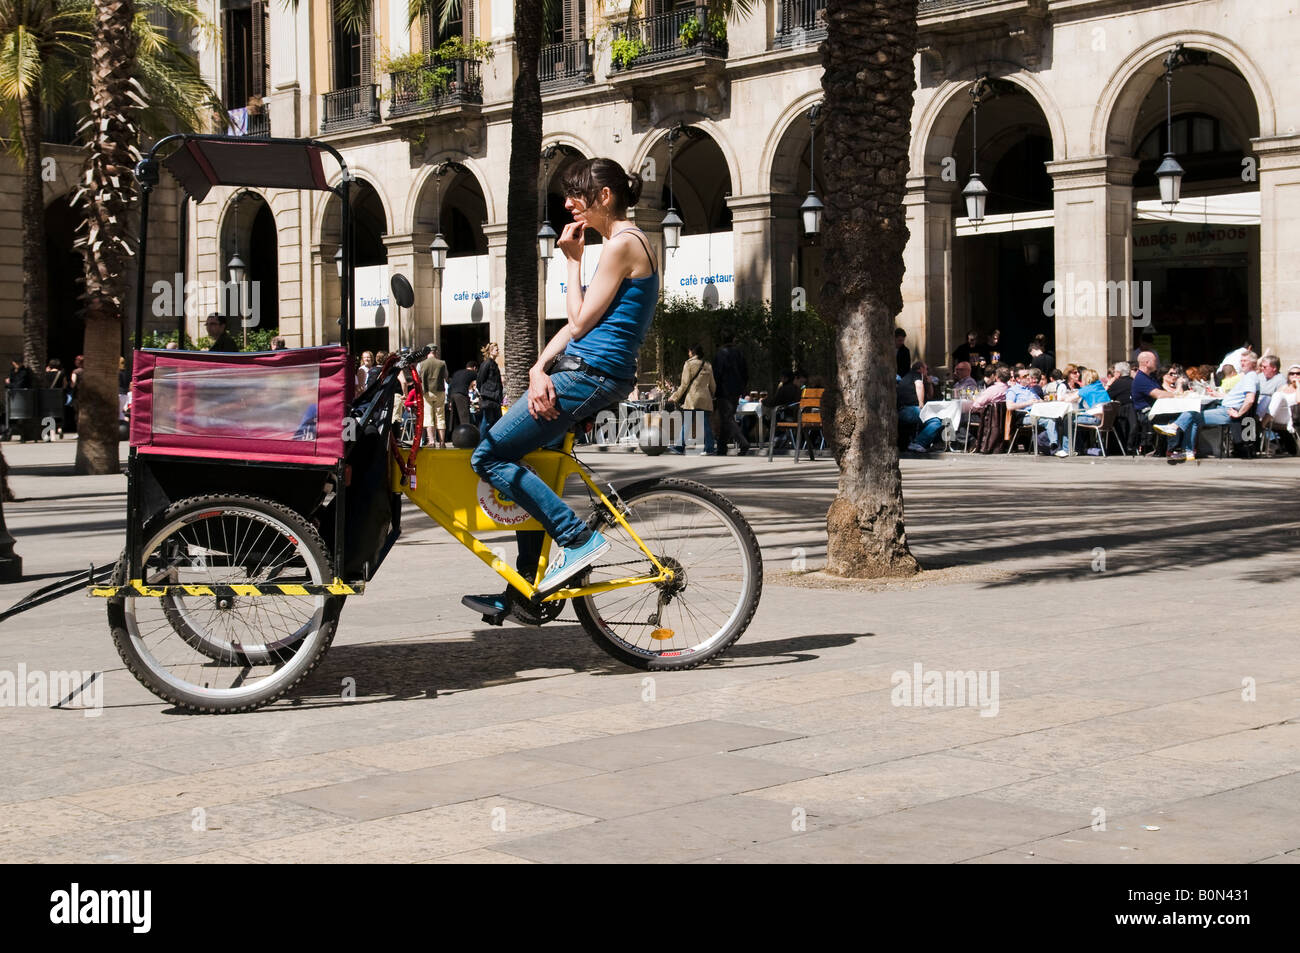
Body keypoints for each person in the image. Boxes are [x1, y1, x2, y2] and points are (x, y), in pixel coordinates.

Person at [464, 158, 657, 616]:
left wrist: (571, 263)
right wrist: (537, 368)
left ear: (604, 197)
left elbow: (578, 319)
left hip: (593, 374)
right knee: (529, 463)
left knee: (488, 456)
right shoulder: (624, 243)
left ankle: (577, 539)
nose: (568, 203)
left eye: (576, 193)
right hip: (585, 369)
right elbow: (577, 330)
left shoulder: (622, 244)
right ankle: (526, 592)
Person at [1154, 351, 1260, 461]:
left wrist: (1239, 413)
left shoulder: (1250, 377)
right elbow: (1239, 396)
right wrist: (1219, 395)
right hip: (1224, 407)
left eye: (1245, 361)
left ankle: (1179, 435)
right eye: (1241, 361)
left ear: (1253, 363)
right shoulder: (1248, 376)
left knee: (1193, 415)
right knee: (1192, 413)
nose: (1242, 363)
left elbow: (1250, 399)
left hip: (1227, 411)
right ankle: (1184, 445)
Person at [669, 344, 716, 454]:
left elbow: (684, 384)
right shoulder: (707, 364)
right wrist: (712, 395)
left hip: (692, 398)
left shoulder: (688, 364)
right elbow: (713, 384)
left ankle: (680, 447)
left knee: (687, 422)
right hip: (705, 398)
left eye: (689, 351)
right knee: (705, 424)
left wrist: (675, 397)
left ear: (691, 352)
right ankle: (709, 448)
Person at [711, 331, 750, 456]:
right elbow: (745, 372)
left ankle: (743, 442)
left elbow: (716, 374)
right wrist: (742, 387)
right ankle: (722, 447)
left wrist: (714, 390)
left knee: (727, 418)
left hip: (723, 390)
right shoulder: (739, 353)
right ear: (733, 339)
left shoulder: (720, 354)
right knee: (727, 418)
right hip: (736, 390)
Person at [899, 360, 945, 453]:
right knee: (936, 420)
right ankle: (919, 443)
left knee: (932, 419)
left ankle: (922, 442)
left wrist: (929, 383)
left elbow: (930, 396)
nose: (927, 371)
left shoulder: (908, 376)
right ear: (920, 369)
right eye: (926, 369)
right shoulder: (916, 374)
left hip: (905, 409)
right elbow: (919, 386)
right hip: (908, 409)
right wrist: (921, 404)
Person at [416, 345, 448, 448]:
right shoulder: (442, 363)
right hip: (439, 391)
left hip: (426, 392)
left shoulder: (421, 364)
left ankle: (432, 441)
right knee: (440, 416)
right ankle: (442, 442)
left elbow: (417, 377)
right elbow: (446, 376)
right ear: (436, 352)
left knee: (428, 416)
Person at [475, 342, 503, 437]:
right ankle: (481, 440)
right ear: (491, 351)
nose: (498, 351)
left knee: (496, 421)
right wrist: (484, 392)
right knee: (487, 421)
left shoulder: (494, 364)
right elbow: (480, 379)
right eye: (496, 349)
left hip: (495, 397)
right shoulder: (487, 364)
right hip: (488, 397)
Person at [447, 359, 478, 434]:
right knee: (464, 418)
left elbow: (450, 386)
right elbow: (479, 382)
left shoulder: (457, 373)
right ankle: (466, 437)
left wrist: (449, 400)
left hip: (453, 395)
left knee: (455, 419)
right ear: (474, 368)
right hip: (461, 394)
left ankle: (455, 437)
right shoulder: (472, 373)